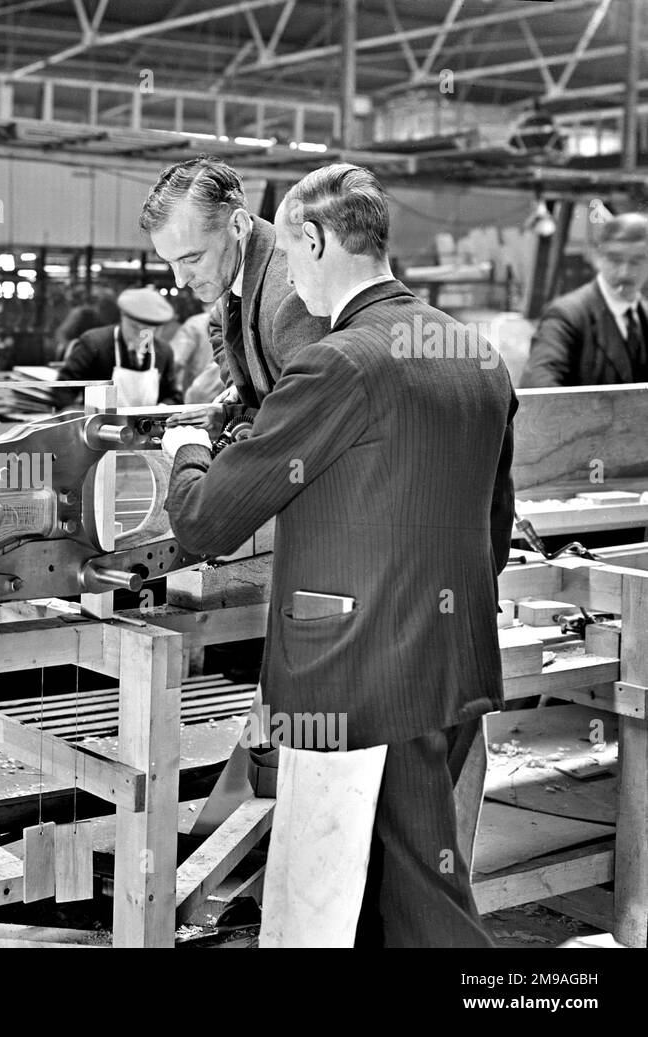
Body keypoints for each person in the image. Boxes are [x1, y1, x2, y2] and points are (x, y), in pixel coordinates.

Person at [161, 163, 517, 947]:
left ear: (316, 241)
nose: (288, 281)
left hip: (360, 685)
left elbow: (209, 524)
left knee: (415, 908)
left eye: (288, 260)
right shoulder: (479, 356)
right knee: (401, 891)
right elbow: (495, 527)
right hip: (452, 666)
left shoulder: (336, 361)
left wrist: (187, 448)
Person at [141, 156, 329, 412]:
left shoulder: (291, 293)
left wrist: (240, 419)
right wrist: (240, 388)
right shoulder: (235, 274)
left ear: (237, 226)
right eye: (170, 263)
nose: (181, 280)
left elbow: (308, 417)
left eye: (192, 258)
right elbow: (219, 325)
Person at [521, 212, 648, 386]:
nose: (624, 272)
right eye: (615, 260)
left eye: (637, 261)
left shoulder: (644, 315)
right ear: (598, 257)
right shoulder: (566, 316)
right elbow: (539, 391)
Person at [53, 286, 181, 408]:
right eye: (134, 327)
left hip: (146, 428)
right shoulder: (94, 343)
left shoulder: (164, 352)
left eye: (147, 330)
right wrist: (77, 418)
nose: (140, 336)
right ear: (122, 317)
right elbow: (63, 388)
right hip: (100, 428)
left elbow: (174, 396)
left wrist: (161, 409)